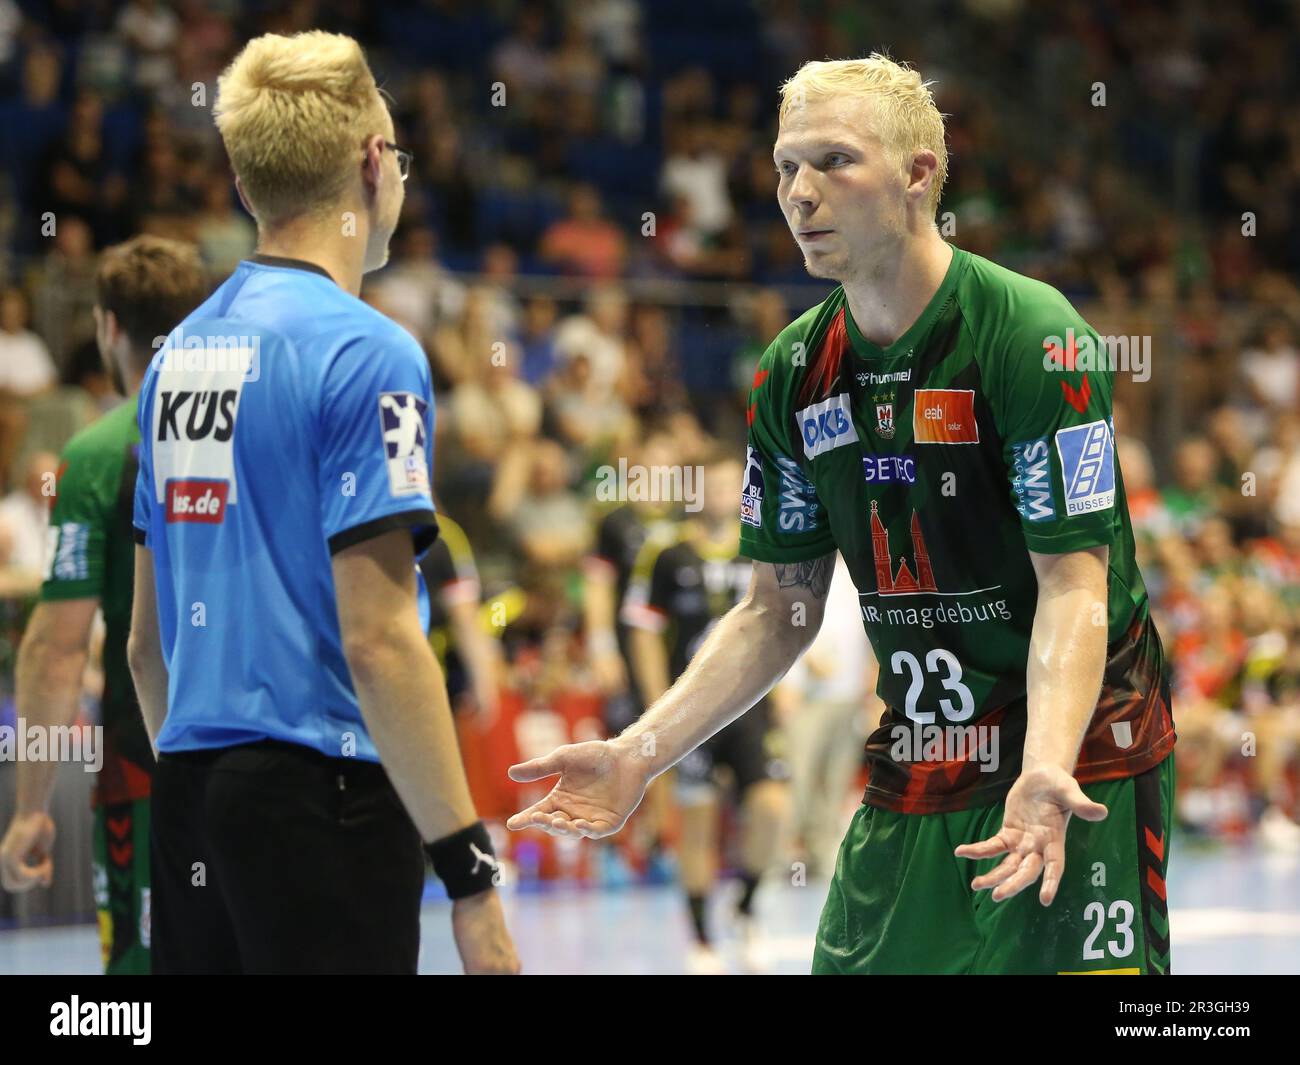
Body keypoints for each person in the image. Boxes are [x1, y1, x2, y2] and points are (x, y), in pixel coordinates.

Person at [507, 54, 1176, 976]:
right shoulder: (791, 371)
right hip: (921, 753)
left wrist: (1046, 764)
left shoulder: (1031, 333)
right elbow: (775, 608)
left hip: (1078, 759)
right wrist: (639, 751)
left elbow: (1074, 583)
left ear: (918, 175)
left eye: (834, 162)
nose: (799, 194)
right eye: (785, 167)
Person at [127, 31, 517, 975]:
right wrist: (470, 878)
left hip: (189, 800)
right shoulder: (368, 352)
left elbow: (148, 646)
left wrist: (210, 794)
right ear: (374, 165)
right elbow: (380, 640)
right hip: (325, 799)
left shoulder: (173, 357)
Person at [0, 236, 208, 974]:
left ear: (109, 329)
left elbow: (57, 647)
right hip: (270, 766)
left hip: (145, 767)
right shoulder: (259, 428)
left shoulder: (95, 455)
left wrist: (30, 807)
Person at [621, 455, 789, 973]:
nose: (721, 494)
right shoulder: (666, 553)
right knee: (697, 820)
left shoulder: (759, 547)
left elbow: (782, 624)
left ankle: (745, 905)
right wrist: (659, 708)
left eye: (729, 484)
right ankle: (700, 939)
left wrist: (784, 697)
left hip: (750, 703)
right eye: (711, 485)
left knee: (771, 807)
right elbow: (645, 631)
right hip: (691, 708)